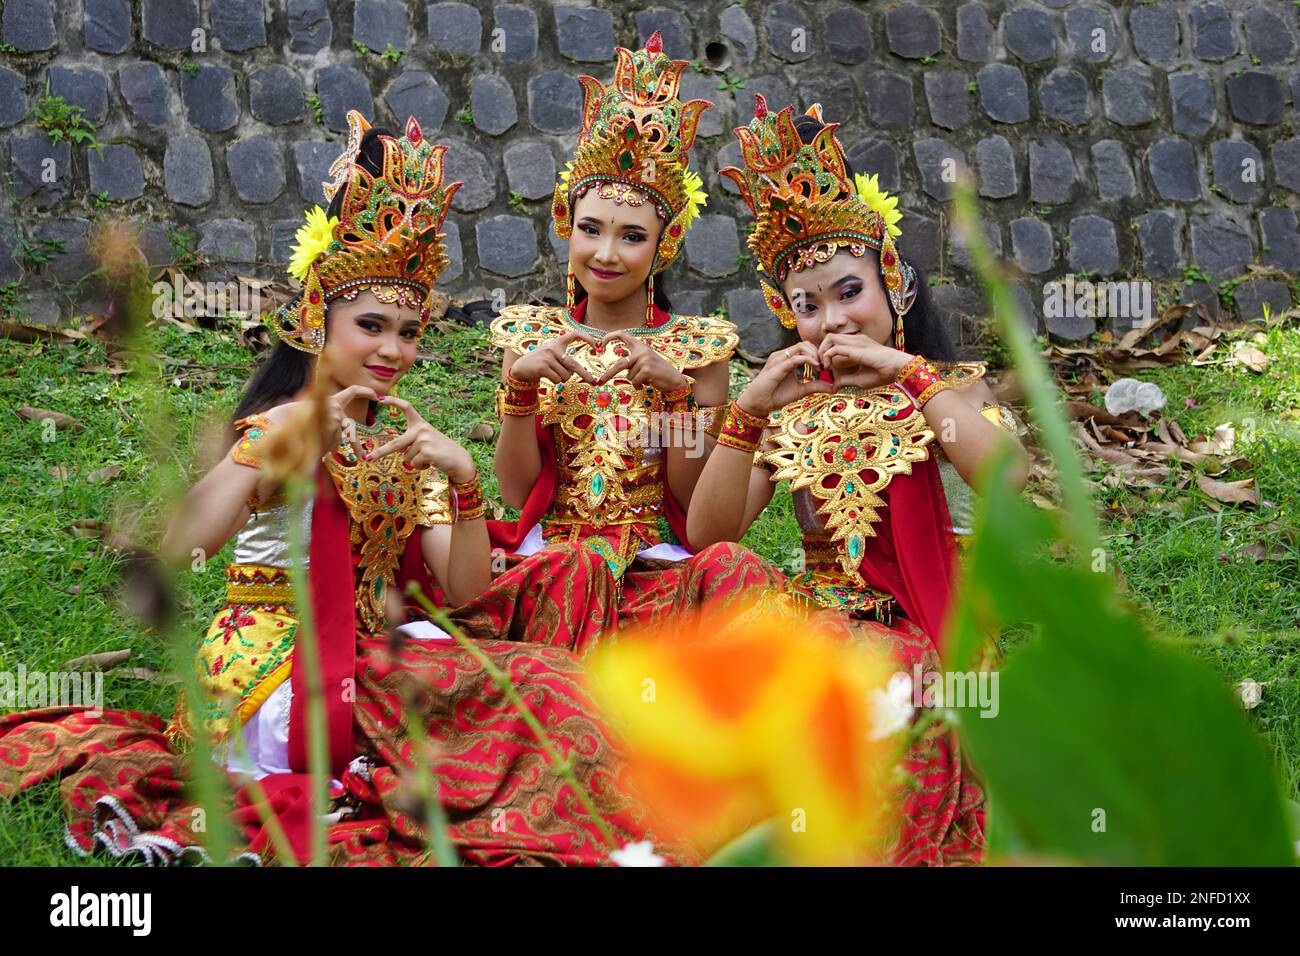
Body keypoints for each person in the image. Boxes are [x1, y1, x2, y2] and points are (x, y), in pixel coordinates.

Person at [0, 113, 686, 866]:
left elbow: (460, 595)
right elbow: (180, 547)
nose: (394, 349)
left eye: (409, 330)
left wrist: (459, 483)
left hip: (375, 654)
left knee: (544, 677)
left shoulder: (399, 435)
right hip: (285, 673)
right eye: (371, 326)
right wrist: (266, 453)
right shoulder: (279, 425)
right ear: (316, 322)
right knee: (534, 691)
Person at [688, 98, 1030, 865]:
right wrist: (746, 412)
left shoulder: (953, 390)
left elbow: (1006, 479)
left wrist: (908, 376)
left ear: (896, 286)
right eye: (805, 305)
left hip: (930, 630)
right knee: (730, 597)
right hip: (823, 615)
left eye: (850, 291)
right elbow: (709, 539)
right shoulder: (793, 409)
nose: (830, 320)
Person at [487, 33, 784, 631]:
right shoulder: (530, 339)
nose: (606, 253)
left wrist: (678, 399)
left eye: (631, 236)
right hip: (556, 560)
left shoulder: (699, 350)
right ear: (566, 227)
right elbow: (519, 495)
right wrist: (520, 394)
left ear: (664, 243)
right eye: (591, 229)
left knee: (735, 580)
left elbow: (694, 504)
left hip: (656, 562)